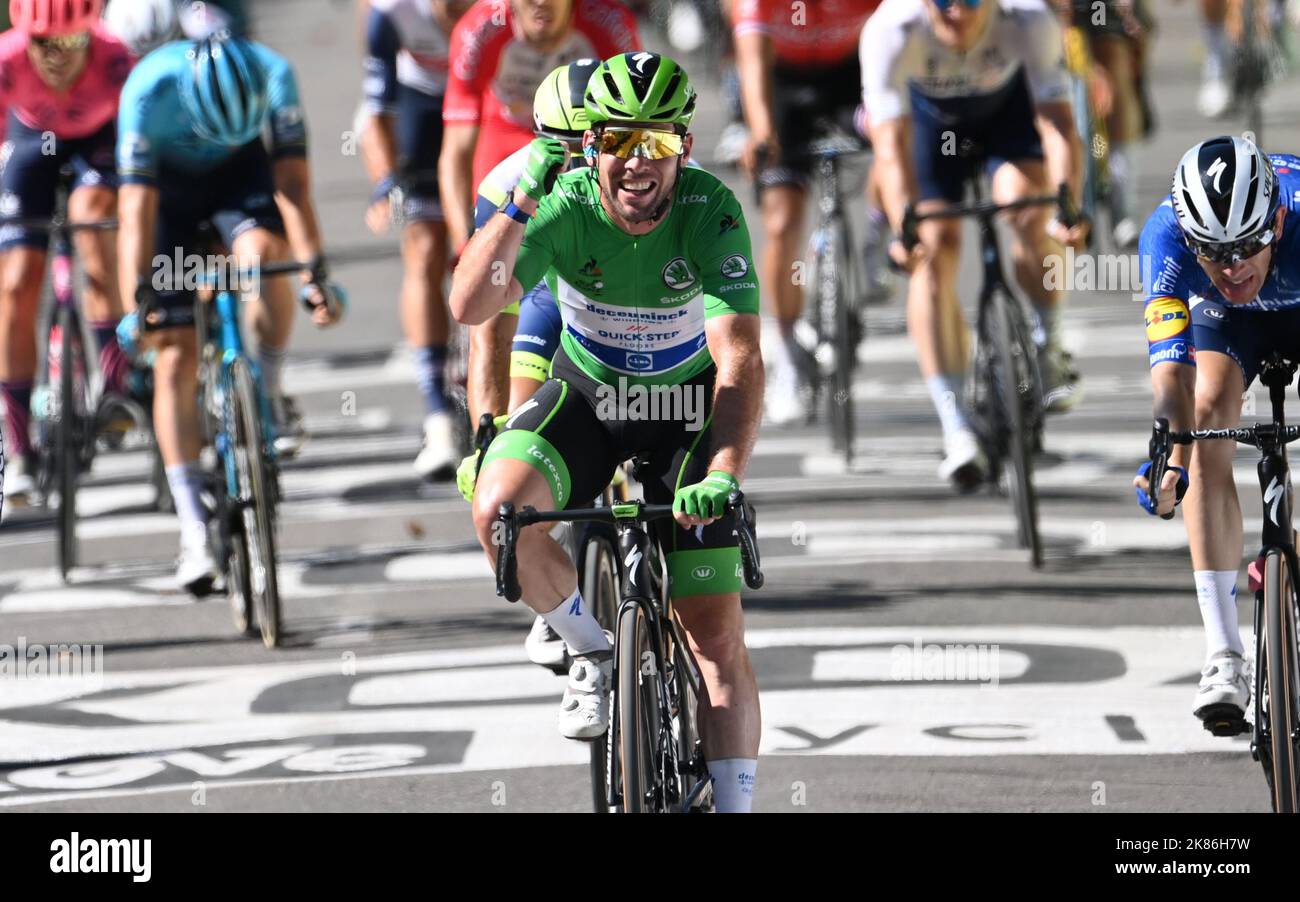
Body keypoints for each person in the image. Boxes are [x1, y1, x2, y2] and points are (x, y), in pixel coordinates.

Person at [450, 52, 763, 813]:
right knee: (499, 512)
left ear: (683, 148)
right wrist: (517, 207)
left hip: (684, 413)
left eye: (656, 142)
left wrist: (722, 468)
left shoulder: (709, 207)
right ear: (589, 147)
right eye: (618, 140)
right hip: (593, 398)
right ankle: (592, 646)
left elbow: (740, 355)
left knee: (713, 640)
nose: (636, 161)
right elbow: (469, 307)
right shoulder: (556, 206)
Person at [115, 33, 344, 593]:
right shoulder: (147, 90)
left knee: (265, 257)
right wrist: (136, 300)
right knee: (172, 357)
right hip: (165, 193)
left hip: (241, 176)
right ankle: (193, 527)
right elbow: (135, 208)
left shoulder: (275, 74)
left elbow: (292, 182)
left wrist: (315, 270)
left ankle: (265, 387)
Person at [861, 0, 1088, 490]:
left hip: (1006, 116)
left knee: (1028, 209)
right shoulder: (891, 29)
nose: (957, 14)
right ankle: (955, 424)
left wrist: (1068, 205)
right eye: (943, 4)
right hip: (930, 127)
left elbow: (1058, 125)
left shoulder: (1028, 19)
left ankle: (1049, 343)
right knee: (933, 247)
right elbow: (890, 148)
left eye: (969, 2)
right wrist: (904, 225)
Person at [1134, 136, 1300, 728]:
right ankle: (1224, 654)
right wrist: (1169, 456)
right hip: (1227, 326)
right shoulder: (1164, 237)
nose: (1232, 267)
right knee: (1205, 415)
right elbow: (1171, 374)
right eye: (1213, 252)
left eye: (1248, 247)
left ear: (1277, 221)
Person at [439, 0, 640, 428]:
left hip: (601, 141)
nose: (539, 3)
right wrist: (468, 246)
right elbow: (456, 150)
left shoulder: (609, 24)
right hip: (514, 136)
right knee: (497, 303)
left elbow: (638, 117)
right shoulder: (480, 30)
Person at [0, 0, 132, 505]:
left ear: (91, 35)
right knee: (15, 286)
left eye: (70, 42)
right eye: (42, 44)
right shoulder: (9, 61)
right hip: (32, 142)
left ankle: (115, 385)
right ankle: (19, 447)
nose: (55, 56)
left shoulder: (118, 61)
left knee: (94, 230)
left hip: (97, 143)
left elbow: (139, 139)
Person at [732, 0, 882, 424]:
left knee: (895, 135)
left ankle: (879, 232)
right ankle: (789, 353)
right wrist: (761, 132)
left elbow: (896, 43)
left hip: (851, 80)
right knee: (782, 220)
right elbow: (751, 61)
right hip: (786, 91)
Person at [361, 0, 474, 480]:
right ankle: (437, 417)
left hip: (483, 106)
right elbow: (375, 113)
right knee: (425, 248)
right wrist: (388, 182)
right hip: (420, 109)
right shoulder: (392, 11)